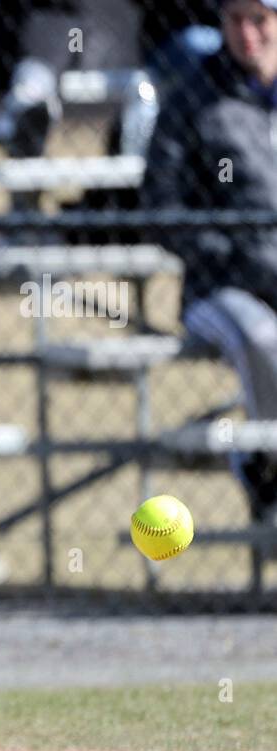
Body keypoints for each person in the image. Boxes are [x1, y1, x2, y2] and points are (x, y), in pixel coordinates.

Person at [141, 0, 277, 525]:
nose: (246, 34)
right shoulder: (194, 96)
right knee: (261, 335)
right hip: (219, 287)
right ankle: (267, 466)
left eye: (260, 20)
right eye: (234, 20)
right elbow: (162, 205)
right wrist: (237, 254)